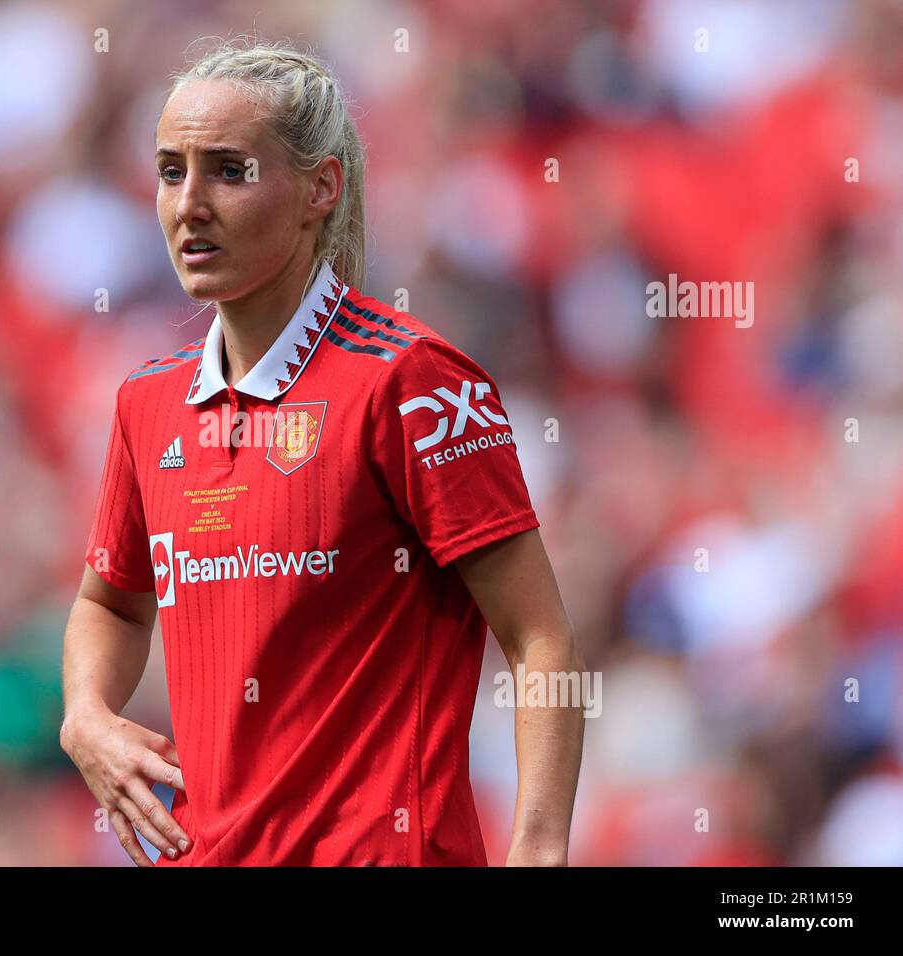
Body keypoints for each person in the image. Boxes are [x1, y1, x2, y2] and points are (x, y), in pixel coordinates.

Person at [60, 38, 584, 866]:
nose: (190, 202)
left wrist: (541, 844)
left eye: (228, 170)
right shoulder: (145, 404)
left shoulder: (411, 383)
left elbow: (540, 638)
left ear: (320, 188)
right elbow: (110, 603)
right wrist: (85, 713)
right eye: (170, 171)